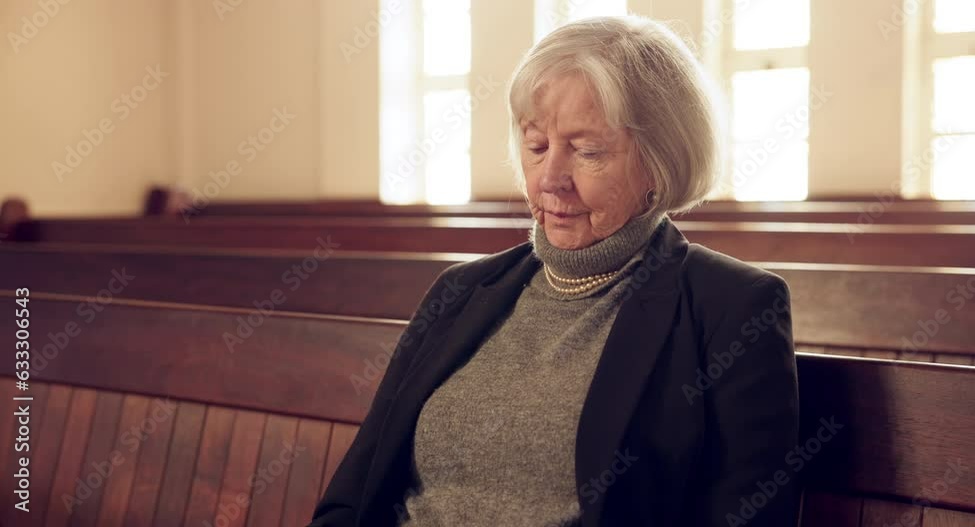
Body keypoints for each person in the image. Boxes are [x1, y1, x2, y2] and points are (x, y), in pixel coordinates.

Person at [310, 14, 799, 527]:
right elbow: (353, 496)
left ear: (662, 160)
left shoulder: (732, 308)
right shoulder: (459, 291)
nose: (549, 180)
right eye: (536, 145)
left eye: (588, 152)